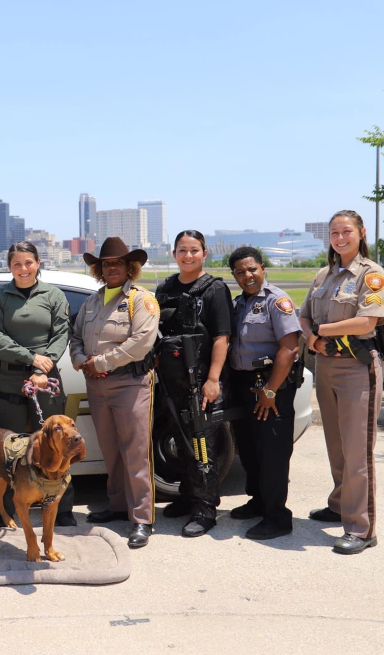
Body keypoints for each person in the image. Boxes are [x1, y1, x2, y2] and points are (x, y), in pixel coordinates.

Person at [299, 210, 384, 555]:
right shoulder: (324, 274)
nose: (340, 237)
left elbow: (367, 322)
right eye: (334, 232)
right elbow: (304, 314)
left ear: (361, 233)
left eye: (346, 231)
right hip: (326, 365)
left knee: (357, 450)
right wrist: (311, 337)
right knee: (336, 445)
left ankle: (362, 529)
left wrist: (322, 331)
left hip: (357, 369)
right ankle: (339, 505)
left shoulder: (371, 275)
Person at [70, 237, 159, 549]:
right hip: (97, 385)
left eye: (117, 263)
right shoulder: (92, 301)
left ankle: (142, 518)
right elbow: (76, 337)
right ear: (99, 269)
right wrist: (82, 361)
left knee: (135, 451)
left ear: (129, 267)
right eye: (106, 264)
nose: (111, 268)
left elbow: (142, 341)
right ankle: (118, 505)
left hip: (129, 384)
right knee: (110, 449)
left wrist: (102, 362)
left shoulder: (140, 299)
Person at [0, 240, 76, 528]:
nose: (23, 268)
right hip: (9, 383)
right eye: (16, 264)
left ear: (38, 263)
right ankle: (6, 511)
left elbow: (62, 334)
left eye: (28, 262)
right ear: (10, 267)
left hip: (46, 381)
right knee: (9, 450)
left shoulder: (54, 295)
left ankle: (62, 510)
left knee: (57, 447)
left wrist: (40, 366)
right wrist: (31, 358)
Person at [154, 229, 233, 537]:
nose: (188, 256)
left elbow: (222, 337)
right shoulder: (165, 288)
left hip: (200, 380)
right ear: (174, 254)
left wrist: (213, 379)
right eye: (182, 250)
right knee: (182, 442)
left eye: (194, 250)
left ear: (204, 253)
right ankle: (189, 496)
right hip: (171, 381)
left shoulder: (214, 289)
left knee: (203, 445)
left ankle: (205, 507)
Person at [227, 246, 302, 540]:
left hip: (271, 387)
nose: (247, 276)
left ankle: (277, 517)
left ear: (263, 268)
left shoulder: (277, 301)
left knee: (272, 452)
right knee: (249, 448)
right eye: (240, 272)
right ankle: (258, 502)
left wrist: (270, 391)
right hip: (244, 386)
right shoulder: (239, 304)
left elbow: (289, 348)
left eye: (252, 269)